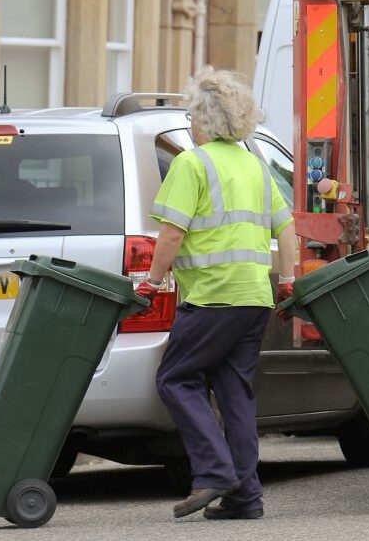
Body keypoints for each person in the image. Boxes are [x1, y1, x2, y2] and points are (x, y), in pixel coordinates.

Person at [135, 67, 298, 520]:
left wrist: (151, 281)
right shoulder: (254, 164)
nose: (189, 124)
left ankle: (212, 472)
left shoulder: (192, 163)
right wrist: (286, 282)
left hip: (211, 298)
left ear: (205, 120)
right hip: (254, 301)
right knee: (235, 393)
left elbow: (171, 236)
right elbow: (287, 232)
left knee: (176, 379)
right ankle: (245, 498)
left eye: (191, 116)